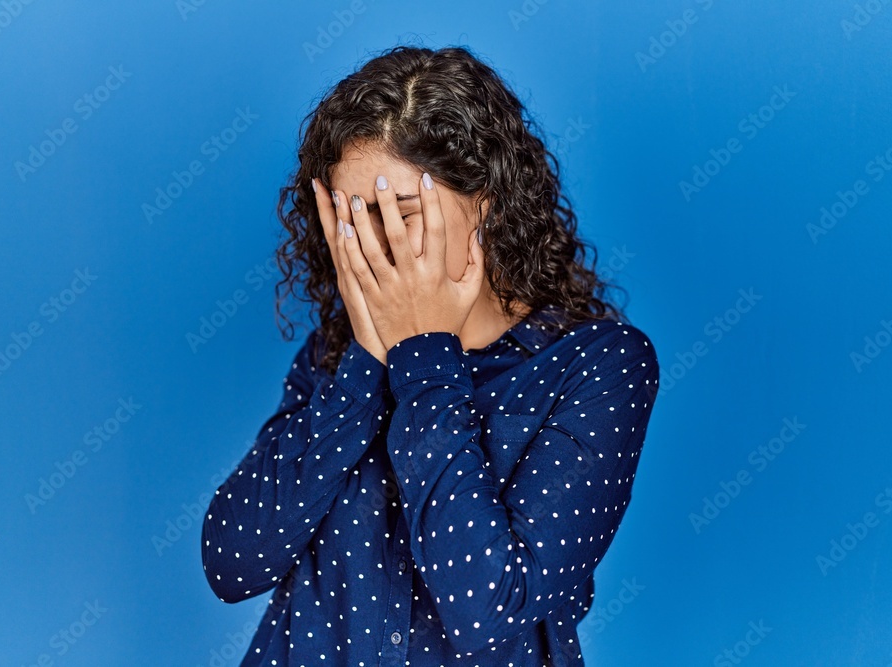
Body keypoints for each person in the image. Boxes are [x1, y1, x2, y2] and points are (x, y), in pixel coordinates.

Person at [201, 43, 660, 667]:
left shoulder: (598, 365)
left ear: (486, 204)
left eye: (403, 213)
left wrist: (423, 356)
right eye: (352, 220)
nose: (376, 245)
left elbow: (486, 607)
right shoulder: (332, 356)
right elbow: (231, 562)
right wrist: (368, 359)